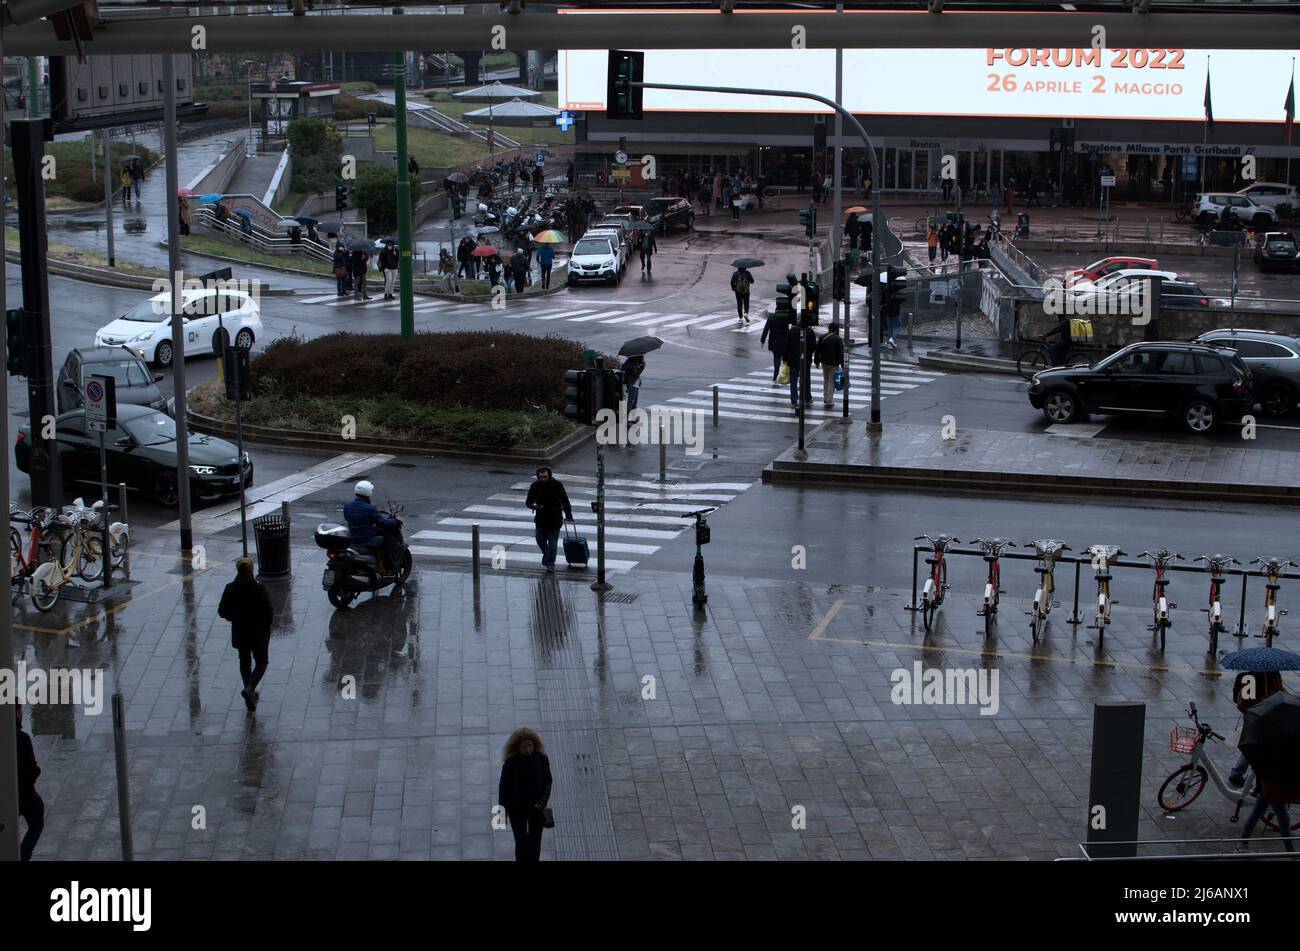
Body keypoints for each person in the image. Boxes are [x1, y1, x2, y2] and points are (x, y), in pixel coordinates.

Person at [218, 557, 274, 713]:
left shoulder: (230, 588)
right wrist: (266, 626)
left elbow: (222, 611)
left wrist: (233, 617)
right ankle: (250, 689)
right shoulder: (259, 589)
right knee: (262, 662)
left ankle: (248, 690)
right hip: (258, 632)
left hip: (240, 631)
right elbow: (268, 611)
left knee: (244, 661)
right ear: (251, 570)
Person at [498, 727, 553, 862]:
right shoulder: (510, 763)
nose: (528, 749)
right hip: (517, 809)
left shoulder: (542, 759)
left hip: (536, 808)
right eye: (524, 747)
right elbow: (503, 787)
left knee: (535, 841)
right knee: (521, 842)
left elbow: (548, 781)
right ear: (518, 747)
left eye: (530, 746)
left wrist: (542, 801)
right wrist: (501, 814)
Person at [1228, 671, 1284, 788]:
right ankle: (1241, 773)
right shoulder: (1270, 675)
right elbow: (1279, 693)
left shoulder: (1248, 676)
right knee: (1256, 745)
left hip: (1254, 716)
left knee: (1253, 743)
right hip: (1263, 716)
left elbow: (1240, 701)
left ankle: (1239, 773)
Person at [343, 480, 400, 574]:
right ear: (368, 492)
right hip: (366, 541)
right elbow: (383, 523)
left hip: (352, 539)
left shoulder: (348, 506)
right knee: (387, 540)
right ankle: (383, 568)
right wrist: (396, 521)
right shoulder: (370, 508)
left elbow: (347, 518)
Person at [525, 466, 573, 572]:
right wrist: (535, 506)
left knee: (552, 543)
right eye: (541, 477)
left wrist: (568, 514)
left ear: (549, 476)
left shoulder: (557, 485)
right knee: (540, 540)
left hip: (555, 519)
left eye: (545, 477)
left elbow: (565, 500)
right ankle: (547, 556)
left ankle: (550, 564)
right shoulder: (535, 486)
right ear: (538, 477)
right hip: (541, 519)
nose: (543, 479)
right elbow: (528, 502)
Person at [15, 705, 43, 861]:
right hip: (24, 794)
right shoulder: (22, 738)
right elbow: (32, 769)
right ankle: (22, 856)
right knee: (36, 823)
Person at [783, 321, 816, 408]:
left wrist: (785, 358)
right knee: (806, 379)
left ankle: (794, 401)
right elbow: (813, 346)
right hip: (806, 359)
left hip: (793, 359)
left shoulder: (792, 331)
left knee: (793, 380)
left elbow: (787, 345)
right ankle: (807, 398)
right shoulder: (809, 331)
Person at [813, 322, 844, 408]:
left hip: (824, 362)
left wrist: (816, 362)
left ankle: (826, 397)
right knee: (831, 381)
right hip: (834, 364)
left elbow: (817, 350)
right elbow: (841, 354)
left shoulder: (822, 337)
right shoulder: (838, 339)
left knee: (826, 379)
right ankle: (829, 400)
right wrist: (843, 365)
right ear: (836, 330)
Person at [760, 310, 790, 384]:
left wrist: (762, 340)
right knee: (783, 359)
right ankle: (783, 375)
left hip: (774, 343)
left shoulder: (771, 318)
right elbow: (787, 332)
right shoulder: (784, 319)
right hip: (783, 343)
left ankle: (775, 377)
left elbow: (766, 329)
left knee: (776, 359)